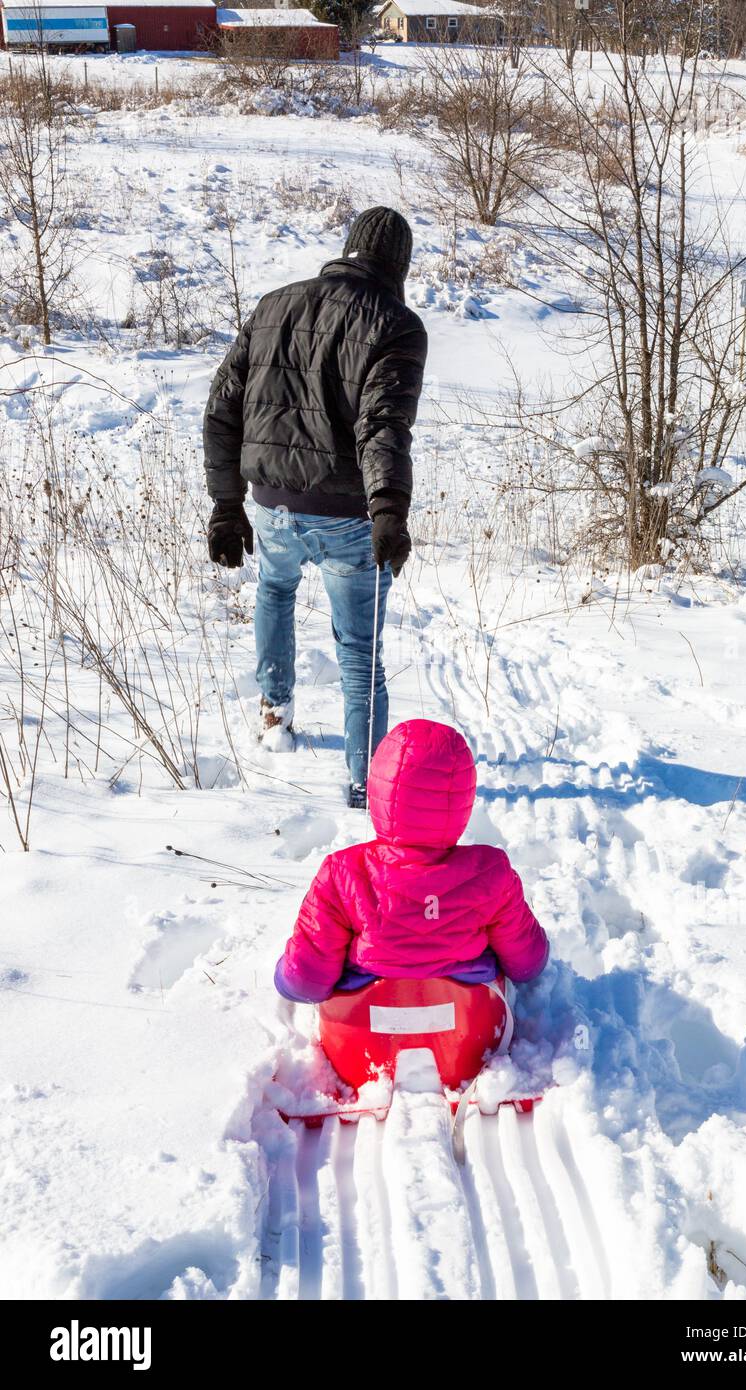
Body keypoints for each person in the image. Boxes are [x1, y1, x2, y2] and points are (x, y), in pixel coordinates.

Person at [202, 207, 428, 808]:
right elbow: (384, 425)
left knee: (275, 592)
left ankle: (274, 719)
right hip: (348, 516)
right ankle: (368, 790)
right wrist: (387, 510)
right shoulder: (397, 325)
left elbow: (221, 407)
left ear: (349, 248)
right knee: (359, 652)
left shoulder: (275, 304)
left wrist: (228, 506)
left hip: (271, 505)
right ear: (398, 264)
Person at [274, 719, 549, 1004]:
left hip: (360, 1035)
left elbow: (304, 981)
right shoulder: (490, 873)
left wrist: (283, 972)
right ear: (462, 798)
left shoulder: (344, 874)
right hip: (467, 1033)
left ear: (379, 789)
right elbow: (527, 963)